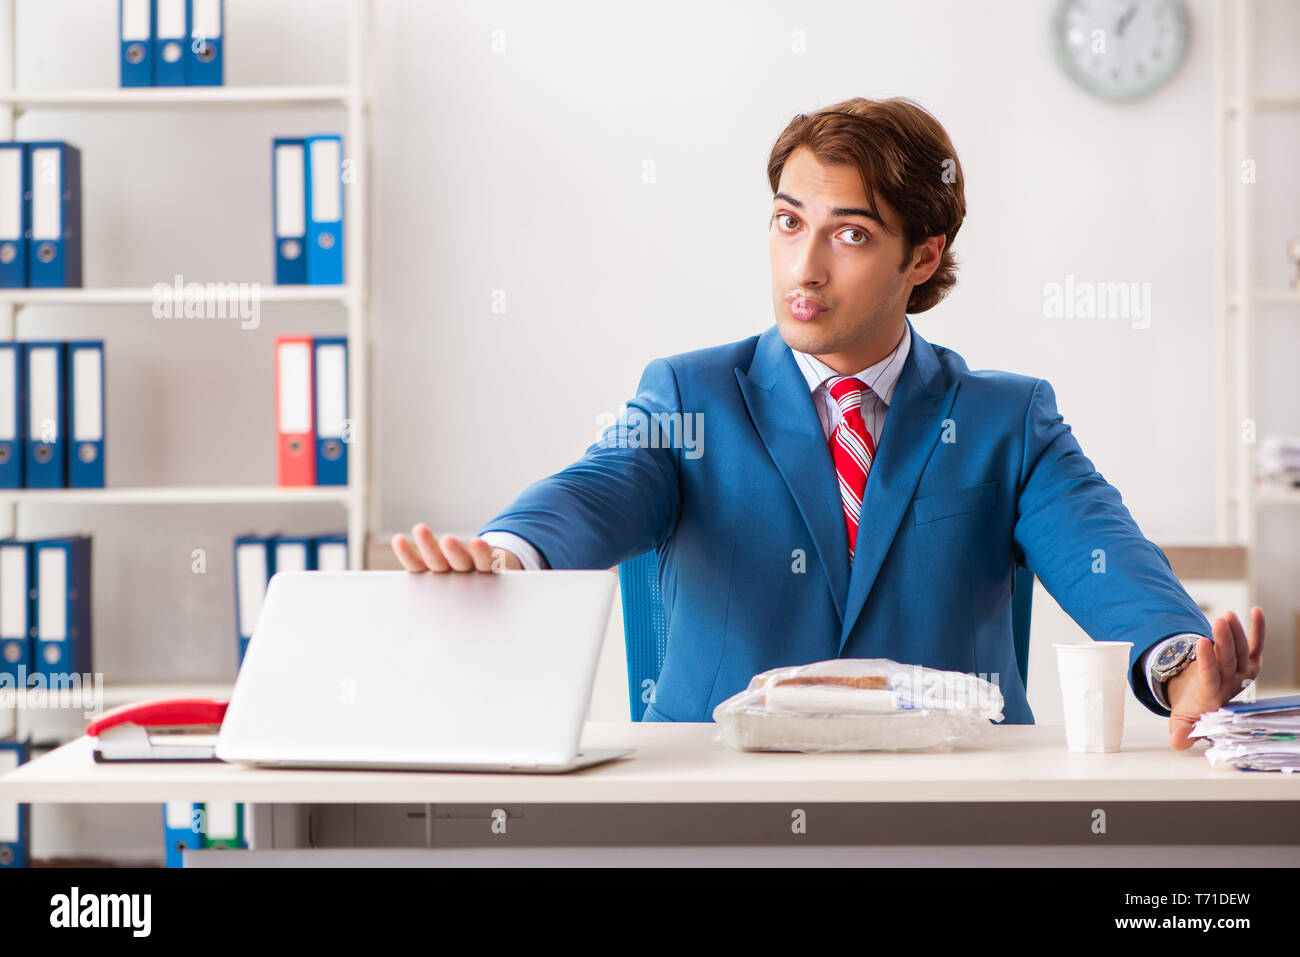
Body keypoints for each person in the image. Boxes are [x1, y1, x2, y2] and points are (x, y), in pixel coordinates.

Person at [392, 97, 1264, 751]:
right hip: (710, 808)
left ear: (921, 256)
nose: (802, 267)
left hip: (948, 813)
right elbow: (595, 490)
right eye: (787, 222)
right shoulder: (691, 396)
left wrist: (1180, 662)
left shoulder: (1006, 420)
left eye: (848, 235)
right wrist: (507, 554)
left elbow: (1106, 557)